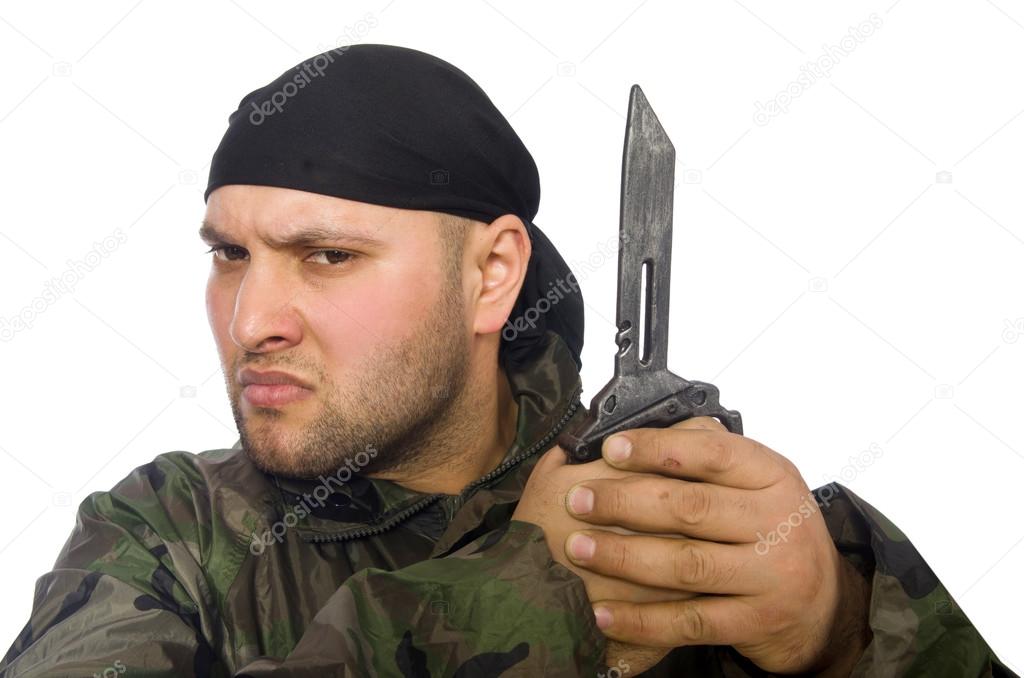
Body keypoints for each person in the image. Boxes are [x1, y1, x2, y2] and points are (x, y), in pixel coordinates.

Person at [0, 43, 1014, 677]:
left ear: (491, 276)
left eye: (327, 256)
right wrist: (521, 592)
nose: (250, 318)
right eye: (230, 255)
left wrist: (842, 628)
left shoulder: (676, 514)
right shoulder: (167, 536)